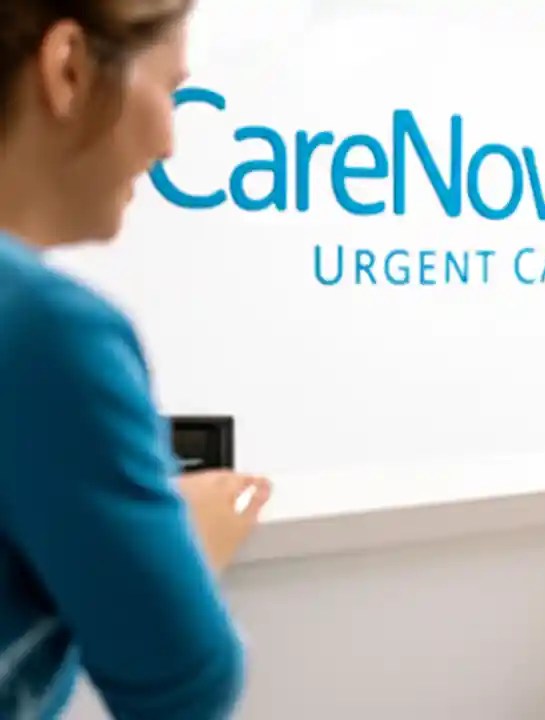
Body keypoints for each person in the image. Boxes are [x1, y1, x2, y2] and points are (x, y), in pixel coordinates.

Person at [0, 2, 271, 718]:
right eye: (170, 90)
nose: (170, 144)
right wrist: (183, 547)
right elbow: (187, 685)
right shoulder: (46, 329)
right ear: (69, 69)